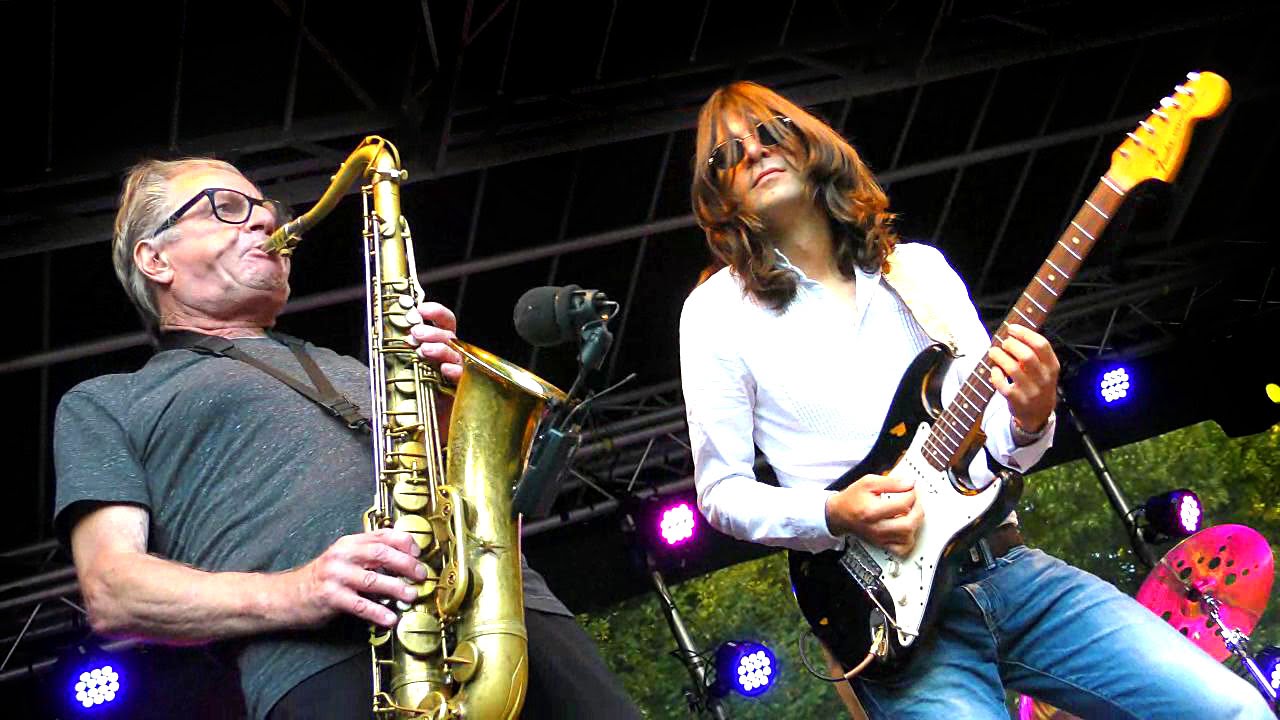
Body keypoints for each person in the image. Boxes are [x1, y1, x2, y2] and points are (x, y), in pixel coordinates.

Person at [678, 81, 1273, 719]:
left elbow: (997, 441)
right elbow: (721, 492)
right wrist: (834, 511)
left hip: (1009, 568)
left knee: (1232, 710)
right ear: (719, 195)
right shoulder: (716, 314)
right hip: (889, 610)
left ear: (811, 142)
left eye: (769, 133)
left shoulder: (919, 272)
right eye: (727, 156)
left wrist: (1030, 414)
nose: (753, 154)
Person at [53, 157, 641, 719]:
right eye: (227, 207)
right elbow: (112, 589)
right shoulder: (106, 402)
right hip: (332, 666)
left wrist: (448, 401)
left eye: (265, 207)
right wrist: (299, 591)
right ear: (155, 259)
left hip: (506, 618)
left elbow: (490, 500)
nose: (266, 220)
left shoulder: (360, 367)